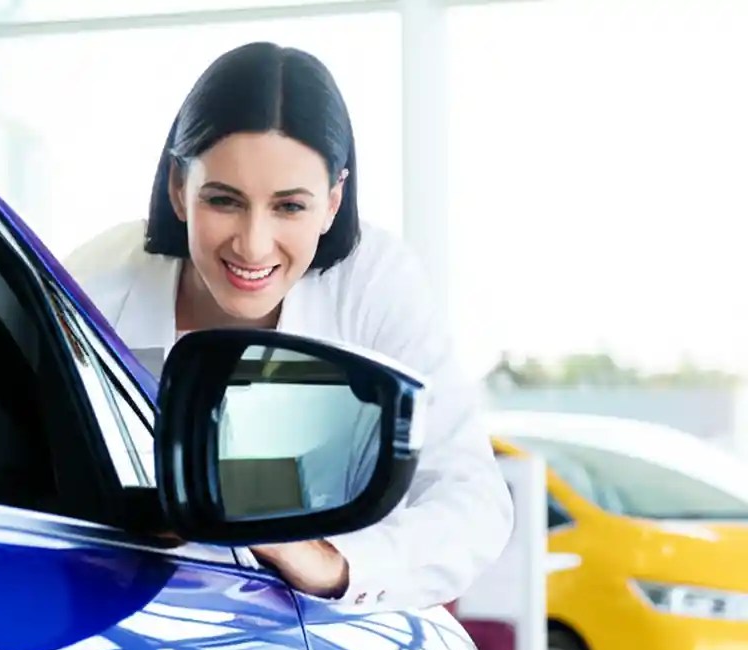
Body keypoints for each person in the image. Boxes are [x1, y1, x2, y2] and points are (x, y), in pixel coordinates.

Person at [62, 41, 513, 610]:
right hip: (133, 605)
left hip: (318, 626)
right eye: (224, 201)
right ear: (180, 189)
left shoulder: (373, 281)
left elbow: (471, 499)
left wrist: (329, 561)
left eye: (290, 207)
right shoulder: (100, 282)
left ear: (333, 199)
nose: (252, 243)